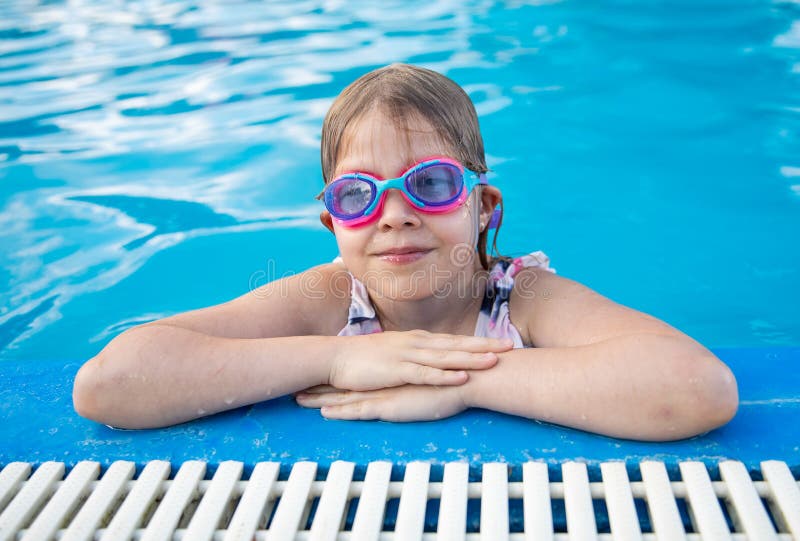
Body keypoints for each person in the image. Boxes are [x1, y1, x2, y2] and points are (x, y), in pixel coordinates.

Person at [72, 63, 738, 440]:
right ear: (333, 225)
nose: (395, 216)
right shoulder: (331, 301)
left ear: (483, 207)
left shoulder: (523, 299)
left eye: (431, 184)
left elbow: (695, 388)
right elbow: (108, 383)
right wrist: (342, 355)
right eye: (359, 195)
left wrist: (464, 382)